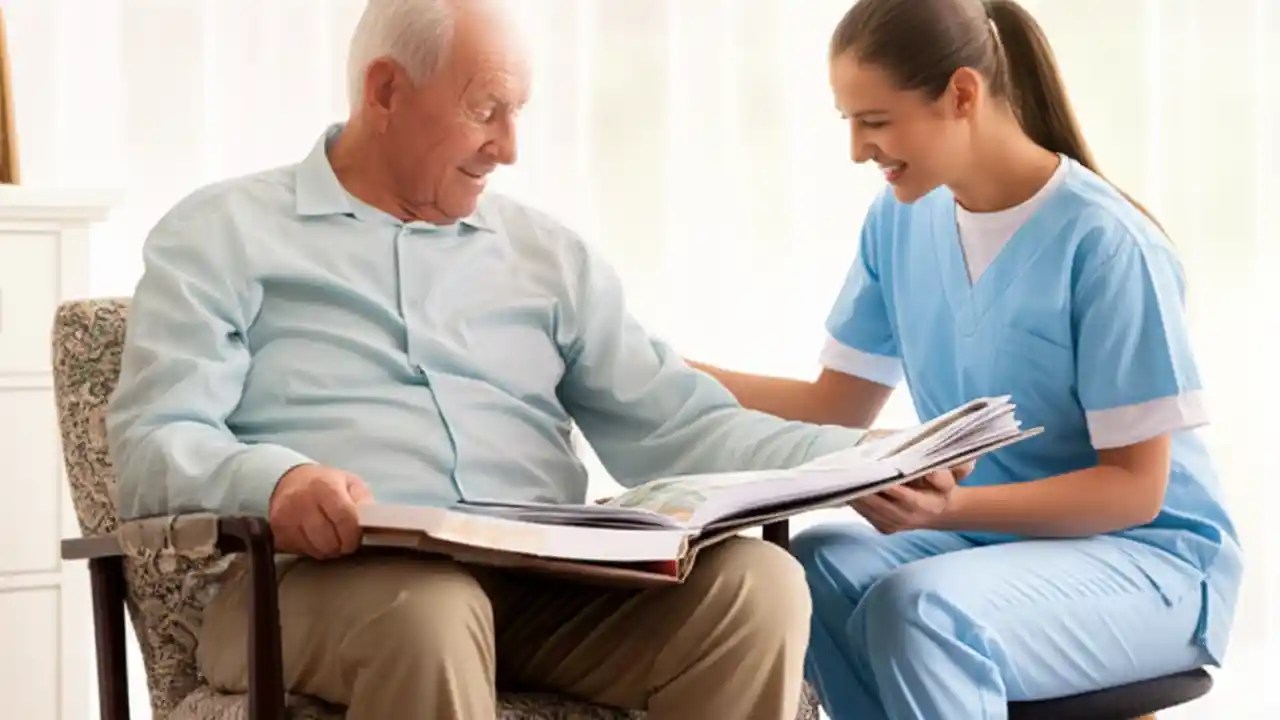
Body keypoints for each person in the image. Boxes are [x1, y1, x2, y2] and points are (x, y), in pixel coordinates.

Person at [105, 1, 972, 718]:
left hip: (540, 589)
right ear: (385, 91)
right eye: (487, 109)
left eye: (519, 114)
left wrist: (862, 461)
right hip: (315, 592)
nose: (509, 146)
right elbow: (153, 440)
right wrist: (279, 483)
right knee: (431, 612)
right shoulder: (222, 234)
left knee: (756, 586)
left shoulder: (547, 257)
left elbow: (680, 422)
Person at [690, 0, 1243, 718]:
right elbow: (834, 407)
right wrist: (652, 369)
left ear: (961, 95)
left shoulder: (1105, 244)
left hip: (1149, 562)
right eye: (849, 122)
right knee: (813, 565)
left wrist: (948, 507)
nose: (859, 149)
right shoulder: (900, 219)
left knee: (920, 610)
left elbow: (1134, 491)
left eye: (876, 121)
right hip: (990, 538)